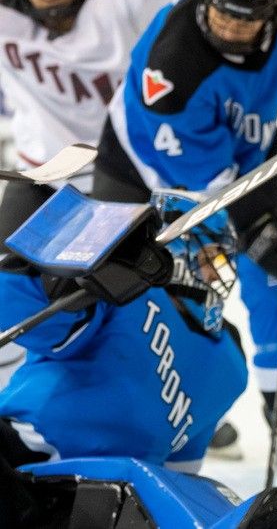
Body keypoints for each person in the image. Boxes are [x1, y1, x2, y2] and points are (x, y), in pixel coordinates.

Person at [91, 0, 277, 498]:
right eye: (222, 13)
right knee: (159, 297)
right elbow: (212, 194)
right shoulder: (173, 72)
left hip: (244, 156)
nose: (230, 27)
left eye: (246, 19)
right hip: (146, 173)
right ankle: (171, 414)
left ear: (270, 11)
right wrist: (261, 237)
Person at [0, 0, 197, 387]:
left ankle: (171, 389)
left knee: (128, 296)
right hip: (40, 181)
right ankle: (11, 395)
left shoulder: (115, 8)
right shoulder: (7, 23)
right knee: (6, 286)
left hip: (118, 181)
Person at [0, 188, 247, 495]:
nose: (215, 273)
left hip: (112, 497)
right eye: (207, 257)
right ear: (174, 250)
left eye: (221, 259)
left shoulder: (230, 365)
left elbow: (180, 480)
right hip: (25, 457)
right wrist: (59, 275)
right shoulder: (117, 290)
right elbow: (11, 305)